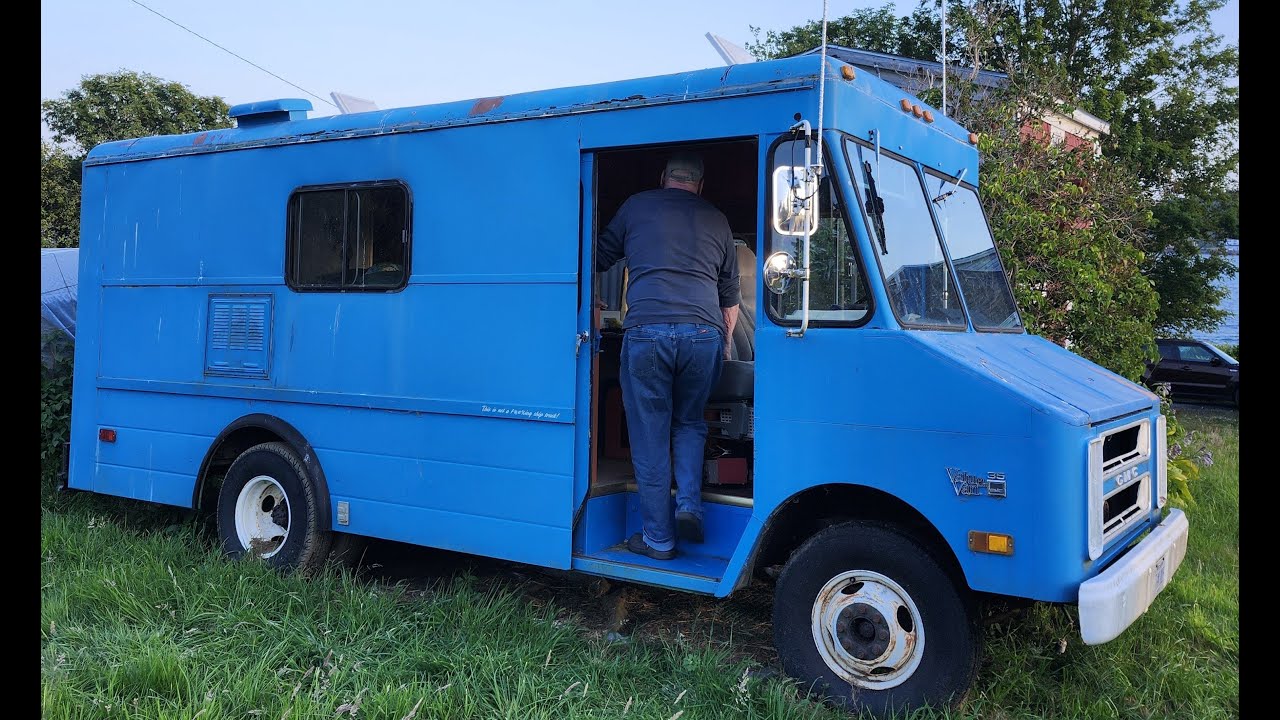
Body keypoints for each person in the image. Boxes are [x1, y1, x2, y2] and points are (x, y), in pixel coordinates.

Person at [596, 152, 740, 560]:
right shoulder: (718, 219)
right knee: (690, 422)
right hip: (702, 333)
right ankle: (689, 505)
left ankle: (658, 539)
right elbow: (729, 301)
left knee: (650, 433)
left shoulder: (636, 206)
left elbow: (597, 257)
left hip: (648, 331)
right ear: (701, 185)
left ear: (663, 178)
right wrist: (723, 344)